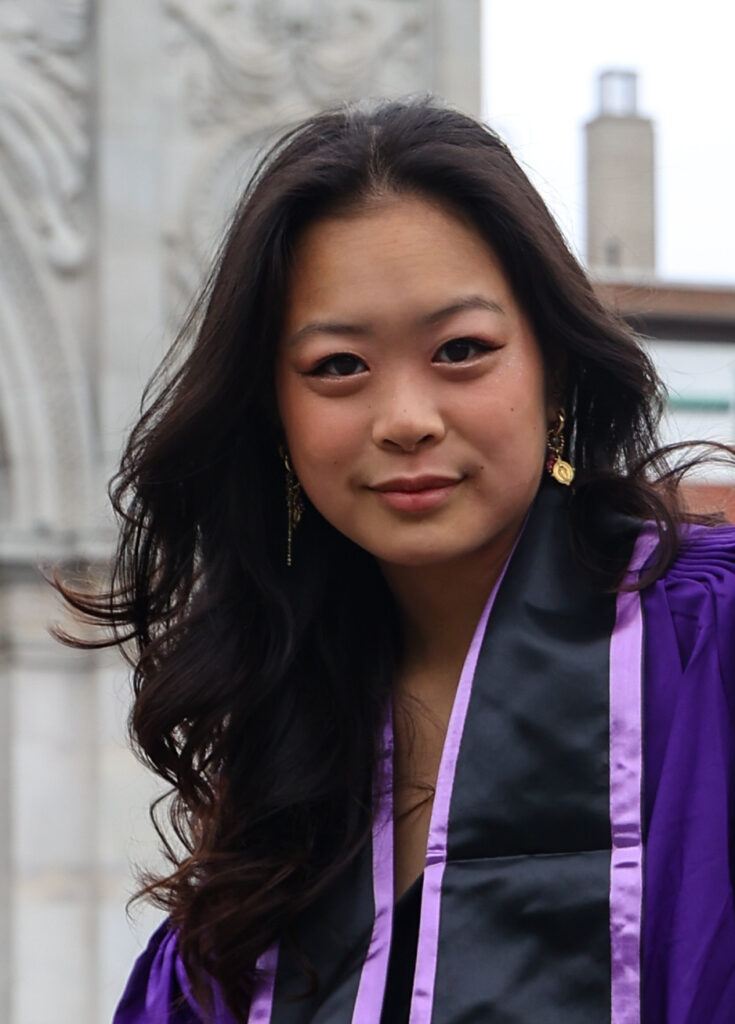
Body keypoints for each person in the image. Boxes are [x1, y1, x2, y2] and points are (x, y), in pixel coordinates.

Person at [59, 97, 735, 1023]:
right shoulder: (277, 769)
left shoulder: (710, 645)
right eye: (338, 366)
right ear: (274, 417)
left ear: (556, 372)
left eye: (461, 350)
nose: (405, 418)